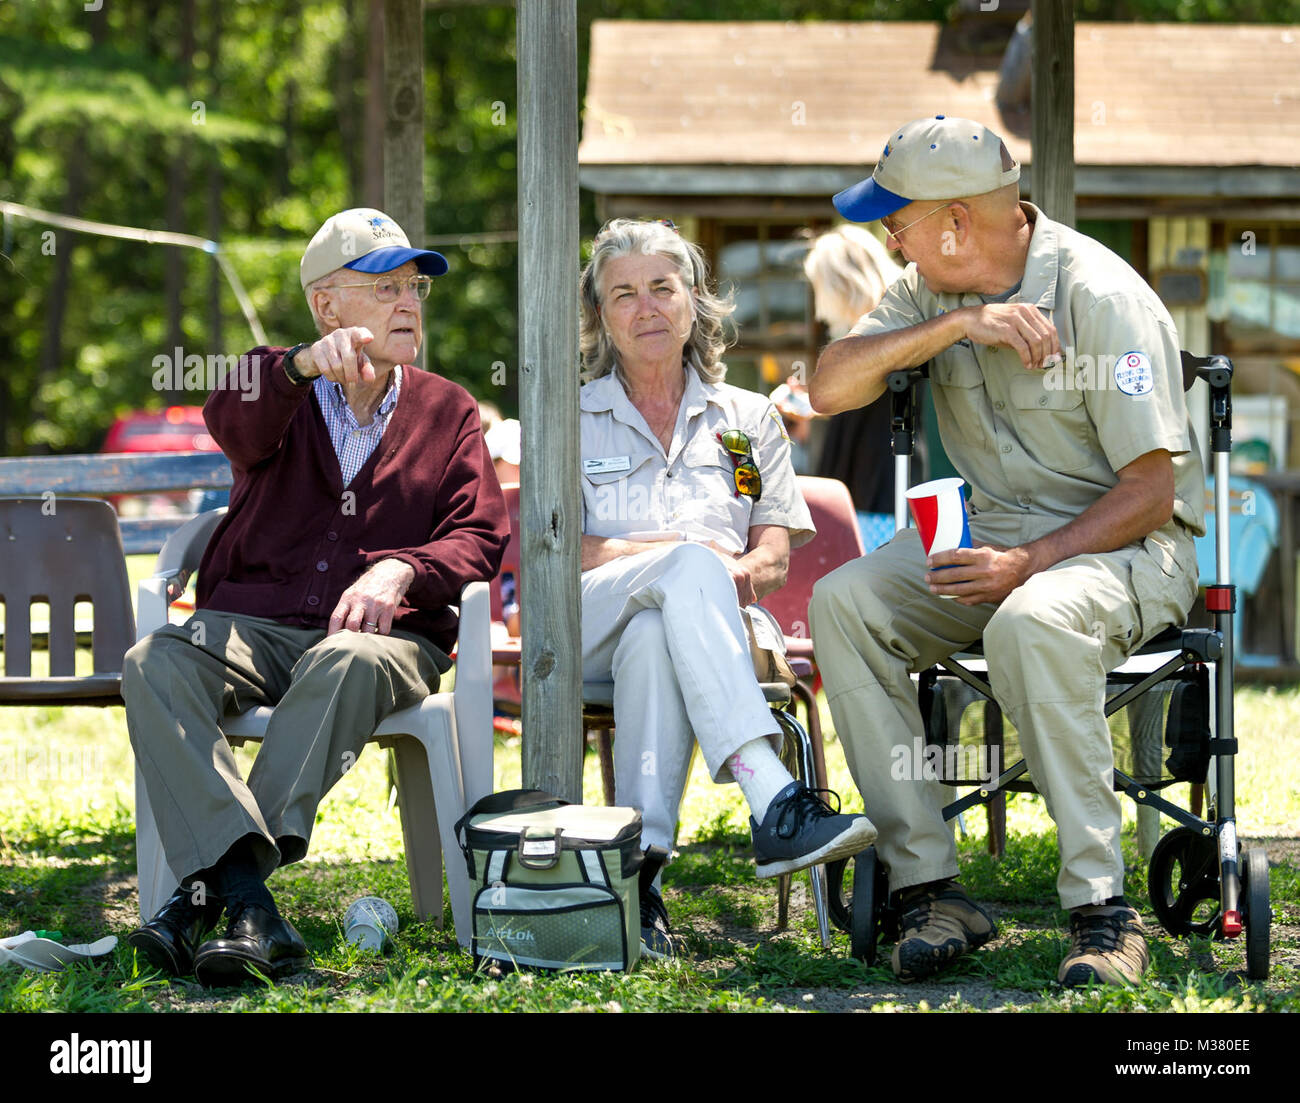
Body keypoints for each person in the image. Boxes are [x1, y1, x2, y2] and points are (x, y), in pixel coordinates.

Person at [807, 116, 1205, 987]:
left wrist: (1031, 563)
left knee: (1032, 619)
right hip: (993, 540)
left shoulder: (1103, 296)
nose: (887, 240)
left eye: (896, 221)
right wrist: (959, 327)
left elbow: (1152, 492)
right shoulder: (930, 290)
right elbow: (827, 386)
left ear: (954, 223)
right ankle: (930, 889)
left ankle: (1103, 912)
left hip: (1131, 544)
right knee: (844, 601)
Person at [124, 208, 509, 986]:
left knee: (342, 659)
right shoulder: (275, 383)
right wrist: (300, 367)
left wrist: (401, 568)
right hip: (252, 625)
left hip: (383, 640)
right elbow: (229, 418)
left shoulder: (448, 408)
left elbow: (479, 538)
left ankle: (211, 896)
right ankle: (248, 901)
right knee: (155, 661)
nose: (409, 303)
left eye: (416, 288)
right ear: (328, 306)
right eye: (386, 285)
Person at [578, 218, 876, 958]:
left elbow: (772, 554)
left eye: (661, 287)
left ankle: (639, 879)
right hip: (587, 620)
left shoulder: (747, 421)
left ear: (693, 299)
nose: (646, 307)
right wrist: (689, 558)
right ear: (600, 314)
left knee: (660, 631)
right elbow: (568, 548)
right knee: (682, 570)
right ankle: (769, 793)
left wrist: (714, 575)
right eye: (624, 294)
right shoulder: (570, 416)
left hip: (699, 629)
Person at [803, 225, 907, 552]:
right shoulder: (889, 322)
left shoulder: (882, 329)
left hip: (877, 489)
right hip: (872, 483)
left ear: (841, 284)